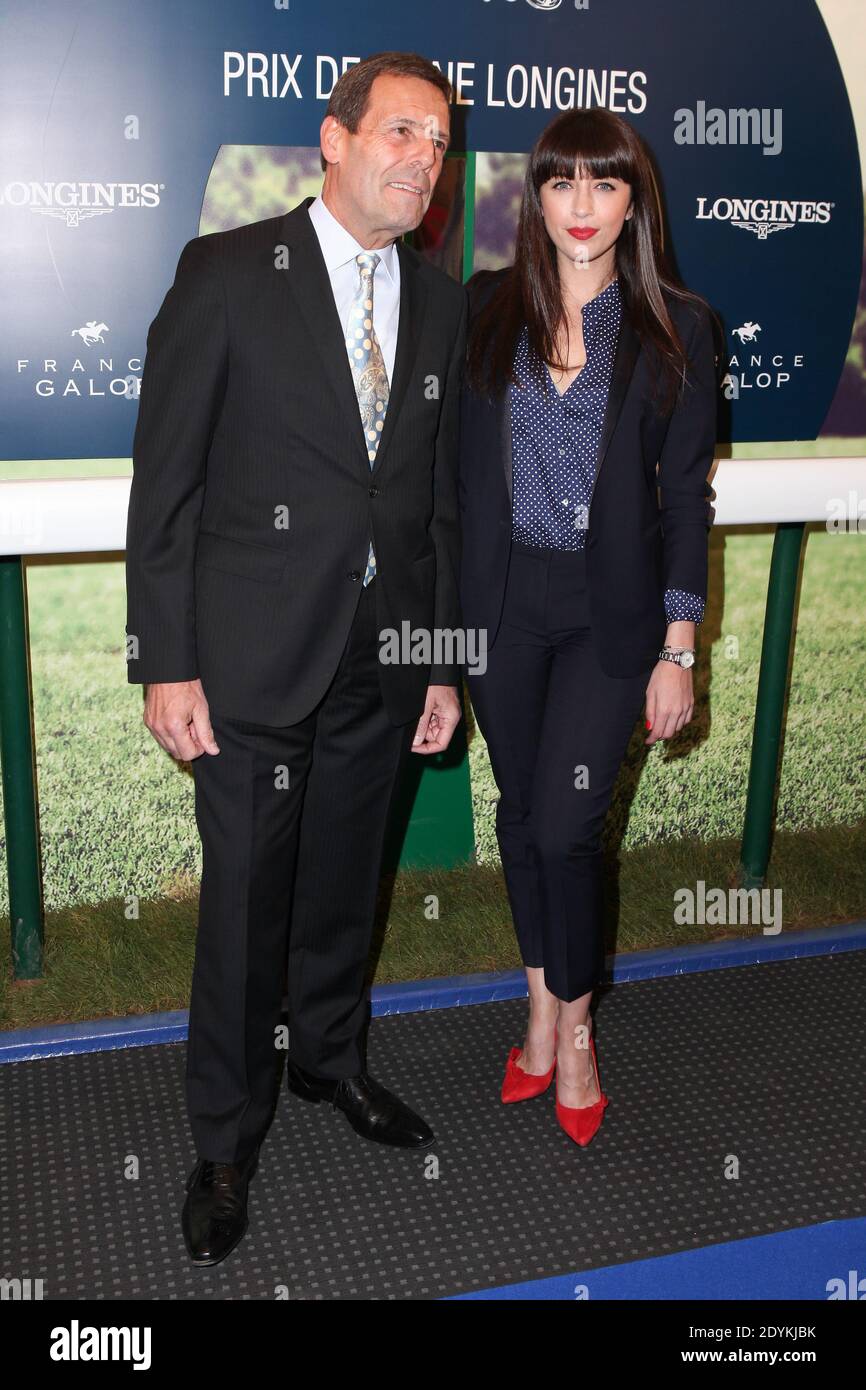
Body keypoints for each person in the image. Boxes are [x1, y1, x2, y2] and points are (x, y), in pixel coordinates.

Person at [125, 51, 467, 1265]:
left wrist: (438, 663)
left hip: (381, 666)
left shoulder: (439, 302)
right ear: (333, 138)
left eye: (439, 142)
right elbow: (163, 488)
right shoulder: (227, 275)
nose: (423, 160)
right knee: (245, 910)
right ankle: (224, 1139)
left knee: (341, 890)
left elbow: (433, 503)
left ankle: (330, 1062)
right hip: (251, 666)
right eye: (402, 134)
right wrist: (165, 662)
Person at [459, 108, 719, 1147]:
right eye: (560, 183)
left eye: (602, 185)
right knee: (521, 811)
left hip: (607, 613)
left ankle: (573, 1031)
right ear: (536, 197)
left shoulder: (676, 326)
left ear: (631, 201)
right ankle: (536, 999)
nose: (580, 206)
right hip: (499, 604)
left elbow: (686, 497)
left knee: (569, 826)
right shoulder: (483, 309)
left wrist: (678, 647)